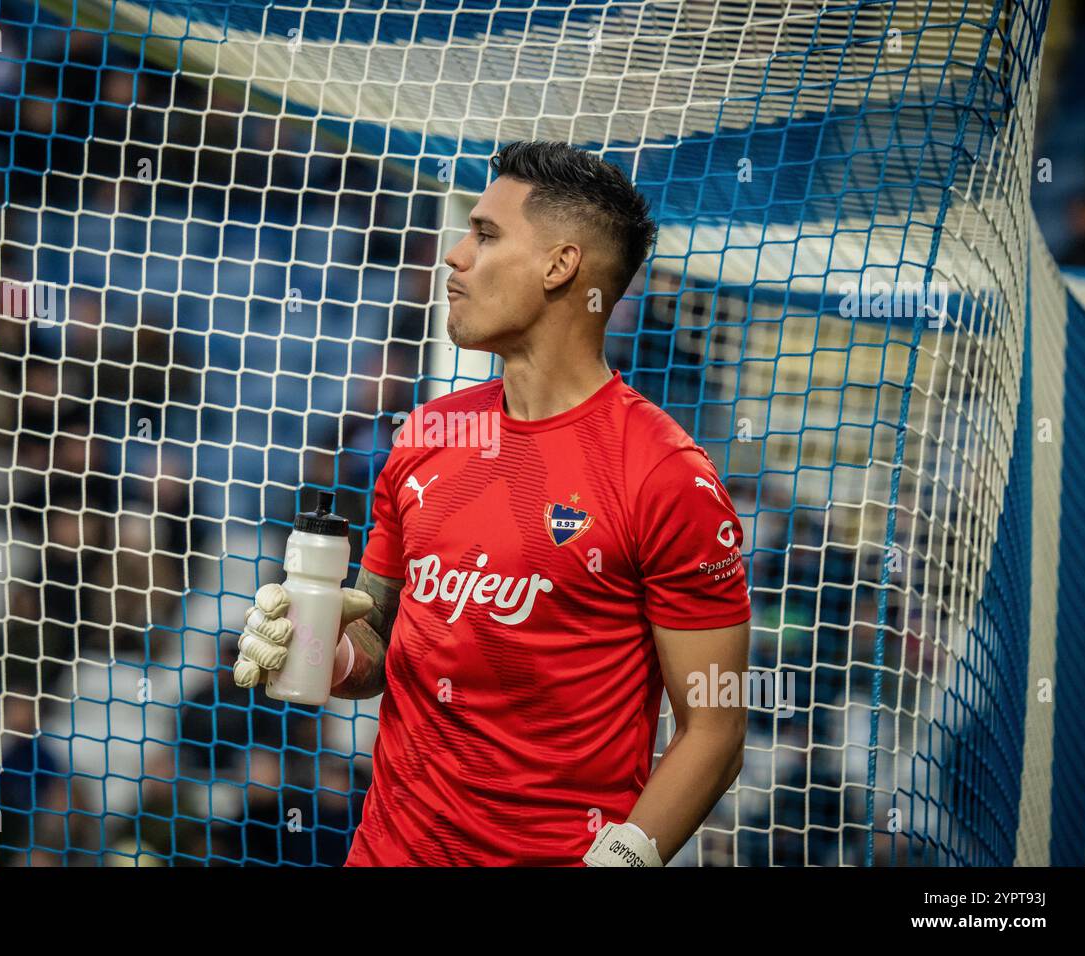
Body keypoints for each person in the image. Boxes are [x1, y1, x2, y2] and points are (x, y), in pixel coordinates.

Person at [234, 141, 751, 866]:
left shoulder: (666, 478)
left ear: (560, 265)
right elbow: (380, 648)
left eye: (485, 234)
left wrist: (626, 857)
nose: (454, 255)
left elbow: (716, 730)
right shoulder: (429, 432)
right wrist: (323, 648)